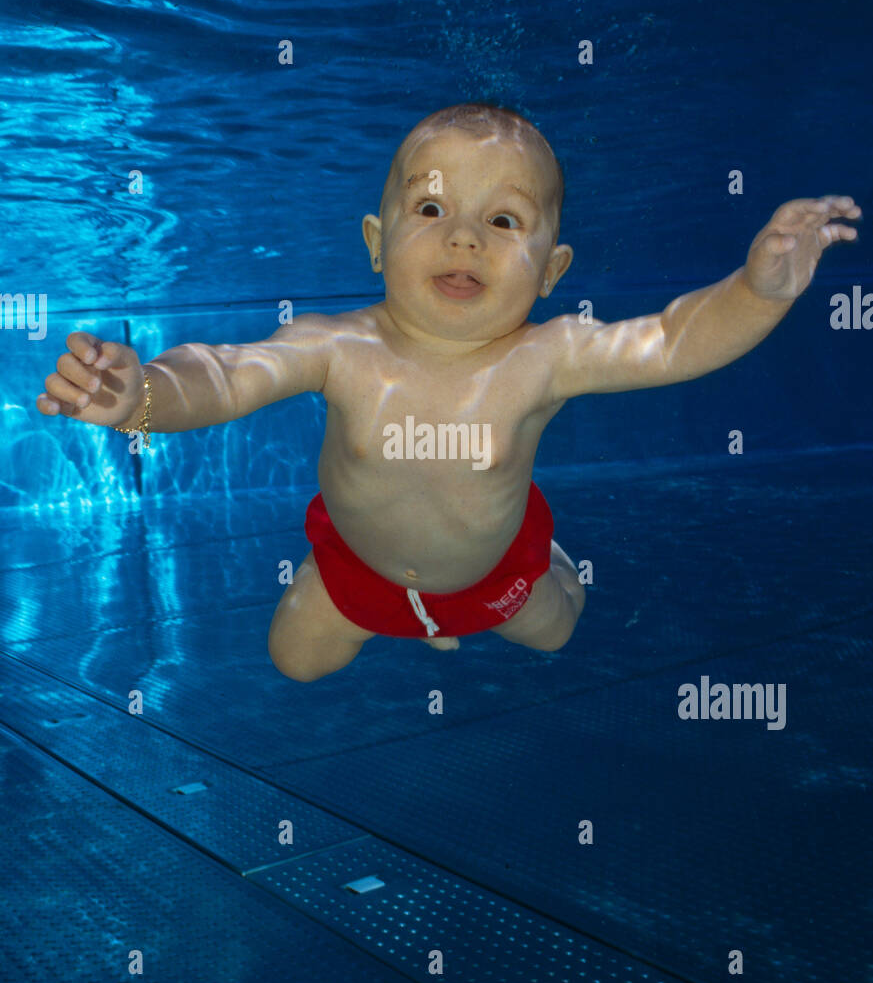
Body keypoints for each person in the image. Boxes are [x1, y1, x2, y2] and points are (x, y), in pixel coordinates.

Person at [35, 102, 861, 681]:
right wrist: (142, 394)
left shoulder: (549, 356)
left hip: (492, 566)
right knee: (295, 662)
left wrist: (760, 290)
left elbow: (674, 339)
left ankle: (551, 566)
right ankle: (405, 617)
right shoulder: (336, 346)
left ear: (551, 271)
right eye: (430, 206)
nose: (463, 234)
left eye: (502, 221)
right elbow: (223, 374)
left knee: (555, 633)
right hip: (358, 566)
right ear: (375, 242)